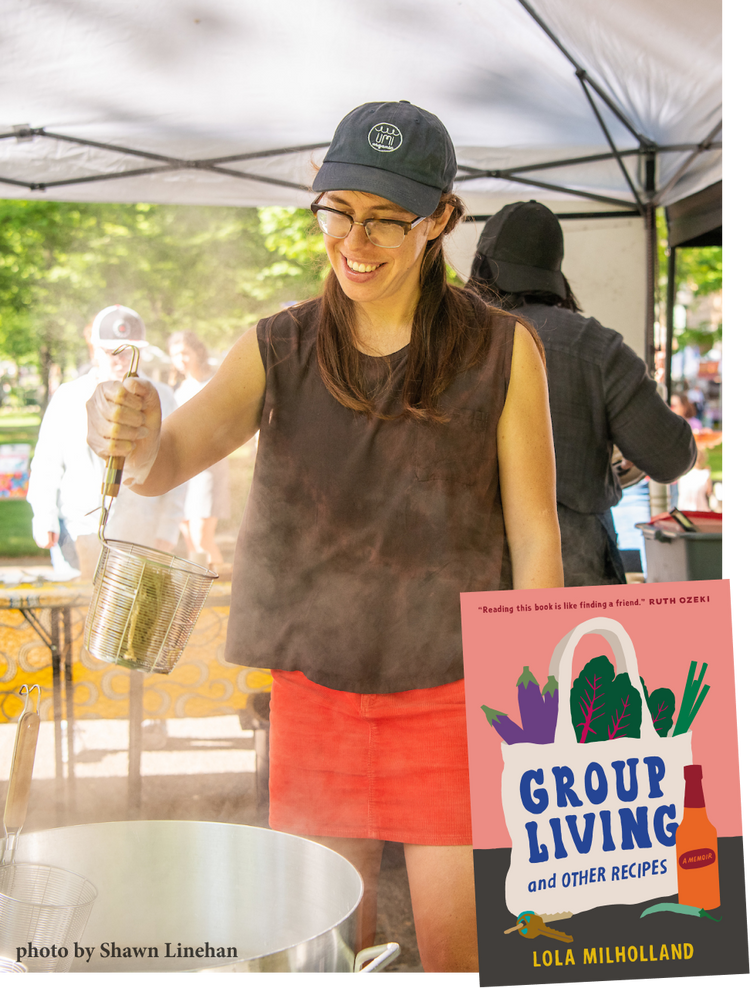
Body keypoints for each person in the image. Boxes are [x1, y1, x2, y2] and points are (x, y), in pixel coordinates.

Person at [85, 101, 564, 974]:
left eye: (386, 219)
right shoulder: (280, 344)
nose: (356, 241)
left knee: (463, 955)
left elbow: (535, 533)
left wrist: (541, 700)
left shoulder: (503, 350)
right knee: (324, 952)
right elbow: (166, 461)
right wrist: (134, 431)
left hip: (458, 692)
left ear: (440, 219)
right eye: (338, 211)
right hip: (317, 691)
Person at [466, 200, 698, 586]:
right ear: (553, 273)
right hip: (575, 575)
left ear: (482, 266)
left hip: (467, 573)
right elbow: (672, 458)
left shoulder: (450, 340)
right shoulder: (594, 347)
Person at [27, 305, 185, 581]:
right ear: (95, 350)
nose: (121, 361)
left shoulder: (162, 398)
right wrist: (44, 516)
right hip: (76, 530)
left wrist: (169, 527)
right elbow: (46, 463)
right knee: (78, 604)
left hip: (140, 532)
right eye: (112, 352)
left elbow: (177, 465)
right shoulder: (68, 396)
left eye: (128, 352)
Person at [168, 331, 231, 566]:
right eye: (175, 355)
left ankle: (224, 583)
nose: (181, 359)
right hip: (183, 473)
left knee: (201, 537)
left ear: (197, 352)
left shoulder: (213, 383)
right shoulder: (177, 389)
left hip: (207, 469)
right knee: (190, 540)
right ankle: (201, 584)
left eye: (185, 353)